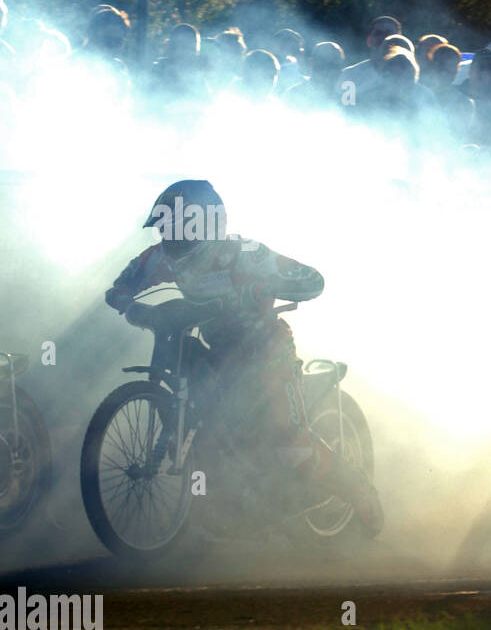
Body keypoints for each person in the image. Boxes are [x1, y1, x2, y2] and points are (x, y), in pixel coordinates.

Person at [104, 180, 384, 535]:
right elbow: (124, 282)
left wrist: (265, 286)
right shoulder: (161, 256)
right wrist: (124, 298)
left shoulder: (247, 253)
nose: (169, 238)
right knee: (193, 390)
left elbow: (313, 280)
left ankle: (359, 491)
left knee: (291, 446)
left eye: (176, 229)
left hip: (266, 349)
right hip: (217, 350)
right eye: (166, 230)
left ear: (206, 224)